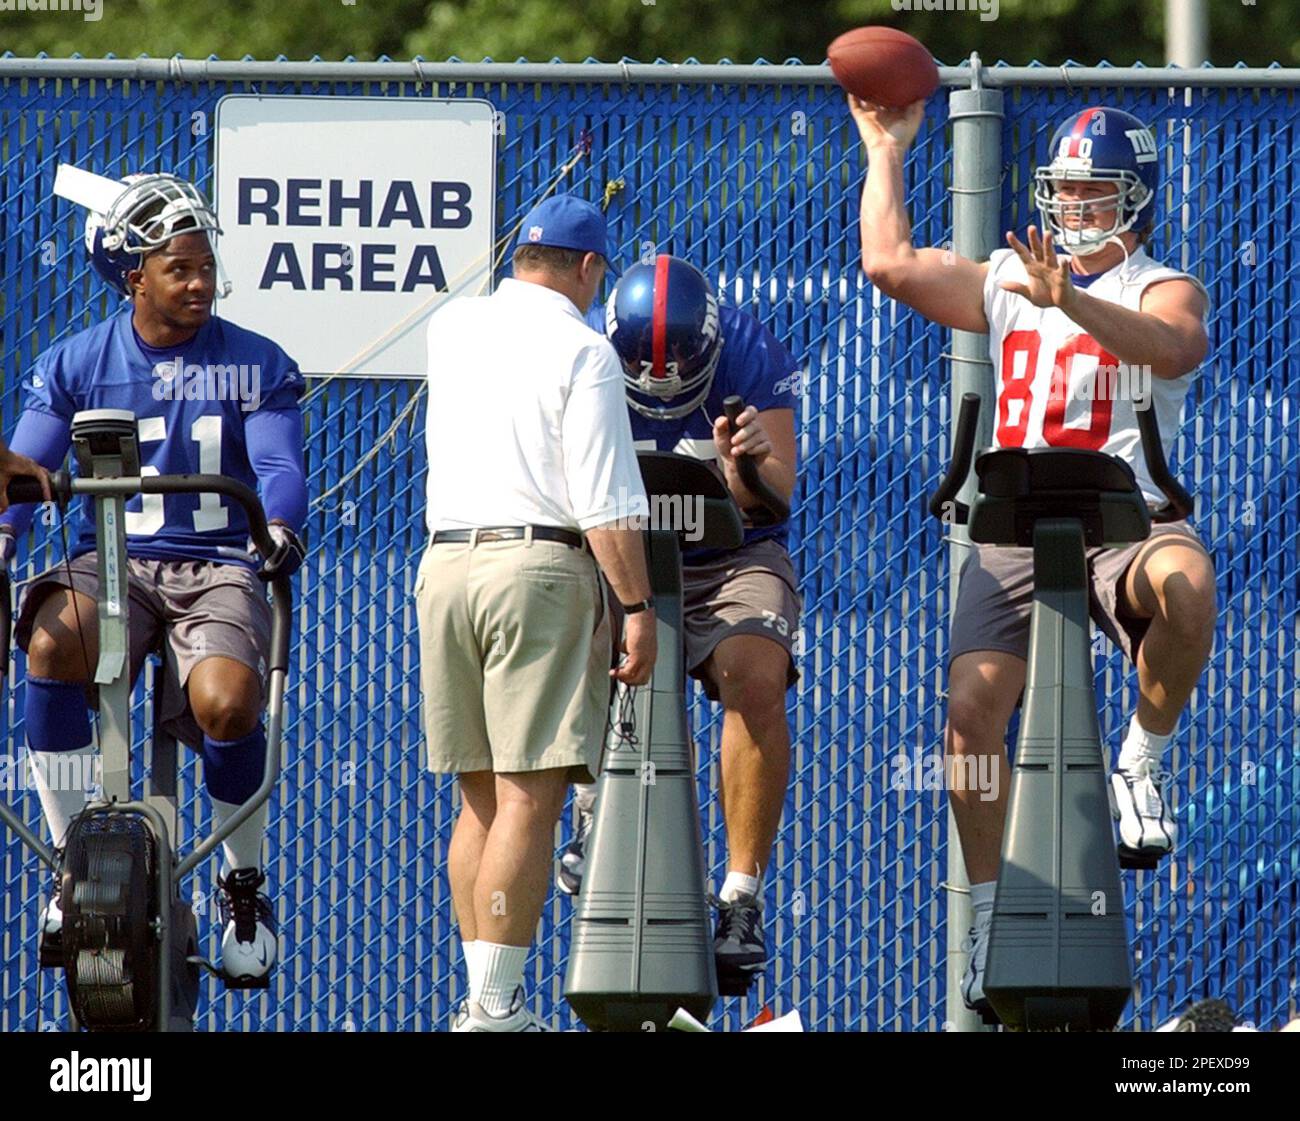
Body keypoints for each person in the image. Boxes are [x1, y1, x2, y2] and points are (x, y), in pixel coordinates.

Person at [850, 97, 1216, 1019]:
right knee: (968, 718)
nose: (1076, 207)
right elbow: (887, 263)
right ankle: (986, 917)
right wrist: (886, 149)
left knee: (1192, 583)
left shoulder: (1161, 283)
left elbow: (1175, 347)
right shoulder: (1011, 274)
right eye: (1067, 190)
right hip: (1016, 509)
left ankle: (1143, 758)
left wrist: (1073, 301)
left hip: (1122, 510)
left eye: (1096, 193)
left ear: (1135, 201)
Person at [0, 172, 308, 986]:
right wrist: (5, 533)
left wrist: (278, 527)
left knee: (228, 703)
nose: (201, 281)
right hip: (118, 557)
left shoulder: (258, 361)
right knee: (52, 639)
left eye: (206, 265)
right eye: (181, 267)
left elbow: (279, 465)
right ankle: (71, 866)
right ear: (134, 274)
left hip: (219, 564)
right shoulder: (77, 362)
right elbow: (27, 470)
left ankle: (242, 885)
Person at [417, 194, 655, 1032]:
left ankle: (489, 1005)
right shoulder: (584, 348)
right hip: (537, 566)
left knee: (477, 799)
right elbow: (604, 504)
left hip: (444, 564)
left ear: (521, 256)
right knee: (528, 795)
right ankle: (495, 1002)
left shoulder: (452, 328)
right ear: (589, 269)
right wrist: (636, 606)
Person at [563, 254, 801, 995]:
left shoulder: (752, 349)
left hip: (730, 554)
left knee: (756, 668)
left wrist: (744, 467)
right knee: (575, 627)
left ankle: (740, 894)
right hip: (625, 559)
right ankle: (592, 819)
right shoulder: (584, 356)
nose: (662, 389)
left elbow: (777, 498)